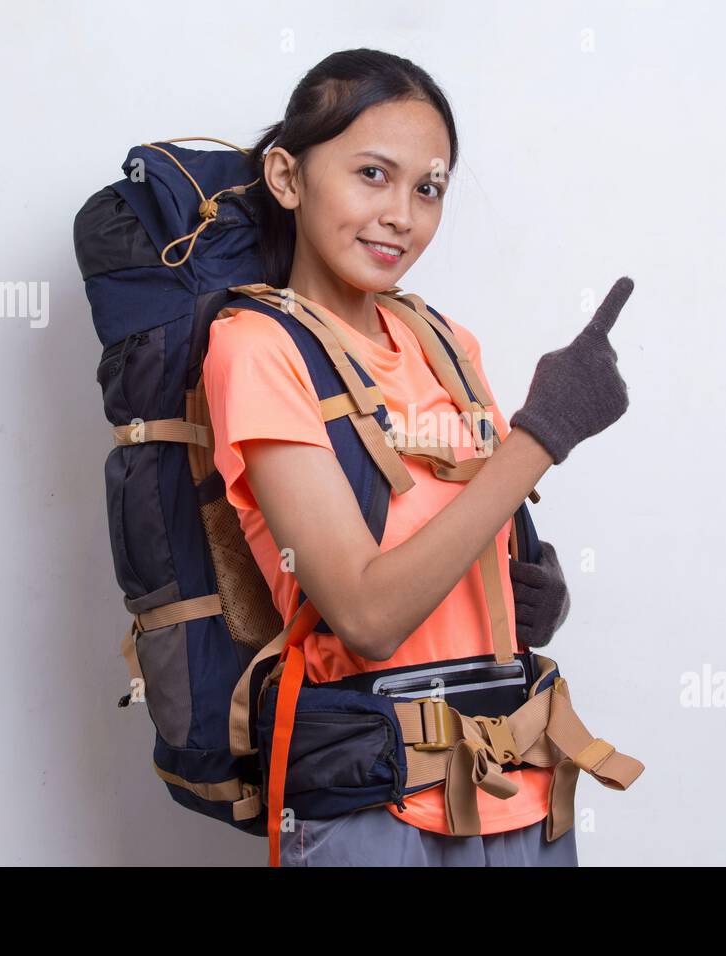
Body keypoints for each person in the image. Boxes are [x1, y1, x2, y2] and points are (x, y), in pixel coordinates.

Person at [201, 48, 633, 866]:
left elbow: (471, 527)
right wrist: (543, 435)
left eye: (428, 188)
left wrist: (531, 592)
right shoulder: (258, 351)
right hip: (376, 811)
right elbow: (365, 617)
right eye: (372, 173)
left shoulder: (444, 341)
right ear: (288, 178)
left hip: (527, 791)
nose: (402, 213)